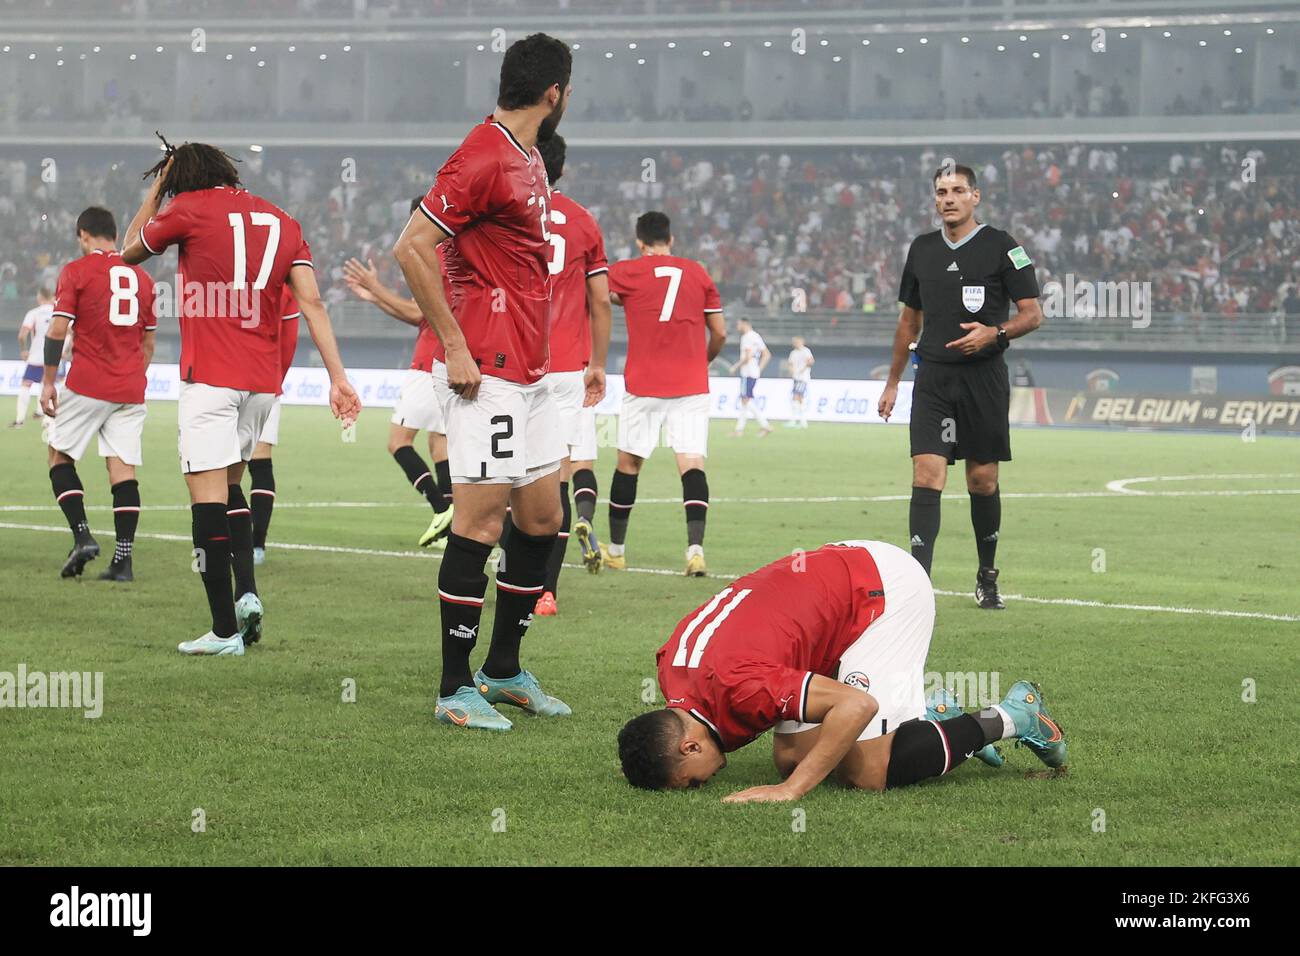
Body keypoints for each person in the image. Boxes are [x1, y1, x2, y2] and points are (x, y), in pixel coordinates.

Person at [393, 33, 581, 730]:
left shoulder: (528, 157)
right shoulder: (481, 154)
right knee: (479, 522)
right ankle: (453, 688)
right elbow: (412, 246)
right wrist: (454, 345)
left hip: (533, 374)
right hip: (488, 373)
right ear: (555, 93)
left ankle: (503, 671)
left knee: (542, 519)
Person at [121, 141, 360, 656]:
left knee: (205, 501)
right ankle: (247, 591)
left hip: (210, 377)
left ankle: (224, 631)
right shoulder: (282, 220)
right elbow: (311, 301)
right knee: (232, 489)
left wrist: (159, 190)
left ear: (185, 177)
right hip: (261, 384)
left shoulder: (187, 207)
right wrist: (337, 377)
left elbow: (128, 252)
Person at [617, 541, 1066, 800]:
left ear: (690, 746)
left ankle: (1011, 716)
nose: (704, 784)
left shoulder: (742, 687)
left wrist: (790, 791)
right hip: (837, 582)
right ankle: (924, 712)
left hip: (885, 592)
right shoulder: (673, 671)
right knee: (791, 757)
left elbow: (856, 705)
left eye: (692, 782)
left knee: (866, 773)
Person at [878, 163, 1043, 609]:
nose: (948, 199)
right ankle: (917, 584)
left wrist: (995, 334)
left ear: (976, 196)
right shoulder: (922, 250)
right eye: (940, 192)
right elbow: (908, 321)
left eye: (957, 191)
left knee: (981, 480)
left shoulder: (1002, 247)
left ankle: (987, 575)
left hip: (983, 380)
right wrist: (892, 381)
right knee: (926, 472)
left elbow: (1032, 313)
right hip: (933, 377)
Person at [604, 211, 726, 577]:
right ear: (670, 240)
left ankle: (617, 551)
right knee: (691, 464)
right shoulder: (698, 273)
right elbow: (719, 333)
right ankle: (695, 552)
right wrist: (700, 361)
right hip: (690, 383)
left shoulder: (627, 271)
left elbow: (600, 293)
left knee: (629, 464)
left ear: (639, 242)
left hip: (643, 382)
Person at [40, 207, 155, 582]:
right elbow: (148, 342)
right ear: (114, 232)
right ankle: (123, 561)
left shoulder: (77, 271)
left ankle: (82, 536)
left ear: (83, 234)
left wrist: (48, 381)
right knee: (122, 470)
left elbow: (58, 329)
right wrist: (133, 376)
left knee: (59, 455)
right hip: (131, 387)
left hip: (89, 382)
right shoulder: (143, 278)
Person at [344, 199, 457, 550]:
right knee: (439, 444)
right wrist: (375, 298)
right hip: (450, 363)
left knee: (398, 441)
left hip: (428, 363)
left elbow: (416, 314)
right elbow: (419, 313)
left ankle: (441, 509)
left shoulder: (431, 257)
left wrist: (376, 289)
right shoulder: (452, 257)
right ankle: (453, 526)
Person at [534, 132, 612, 610]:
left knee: (513, 476)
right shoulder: (583, 221)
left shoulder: (506, 212)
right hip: (567, 368)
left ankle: (508, 573)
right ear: (562, 168)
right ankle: (546, 591)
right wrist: (598, 365)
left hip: (514, 364)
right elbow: (600, 300)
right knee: (562, 474)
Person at [246, 286, 302, 565]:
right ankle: (257, 546)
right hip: (265, 379)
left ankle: (220, 540)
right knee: (261, 462)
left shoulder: (226, 279)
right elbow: (289, 342)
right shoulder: (283, 289)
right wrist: (275, 378)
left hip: (219, 378)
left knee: (219, 467)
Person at [13, 288, 55, 428]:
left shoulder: (34, 313)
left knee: (26, 384)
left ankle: (19, 420)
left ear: (40, 297)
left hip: (36, 355)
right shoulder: (58, 312)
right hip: (54, 357)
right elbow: (69, 332)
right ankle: (48, 420)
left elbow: (22, 335)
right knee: (49, 385)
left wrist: (23, 350)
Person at [730, 317, 771, 436]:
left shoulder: (746, 337)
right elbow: (767, 354)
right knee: (745, 400)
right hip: (754, 372)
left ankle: (765, 425)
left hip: (747, 372)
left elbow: (747, 357)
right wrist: (759, 369)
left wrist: (735, 367)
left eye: (738, 324)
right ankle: (739, 430)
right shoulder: (756, 336)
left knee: (746, 400)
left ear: (744, 324)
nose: (737, 327)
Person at [785, 334, 814, 428]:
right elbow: (790, 364)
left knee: (796, 397)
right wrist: (792, 371)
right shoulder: (793, 353)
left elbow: (811, 361)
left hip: (803, 378)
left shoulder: (806, 351)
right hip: (796, 378)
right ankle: (802, 422)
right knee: (799, 398)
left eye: (797, 341)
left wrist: (803, 369)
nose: (795, 343)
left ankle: (796, 421)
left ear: (802, 342)